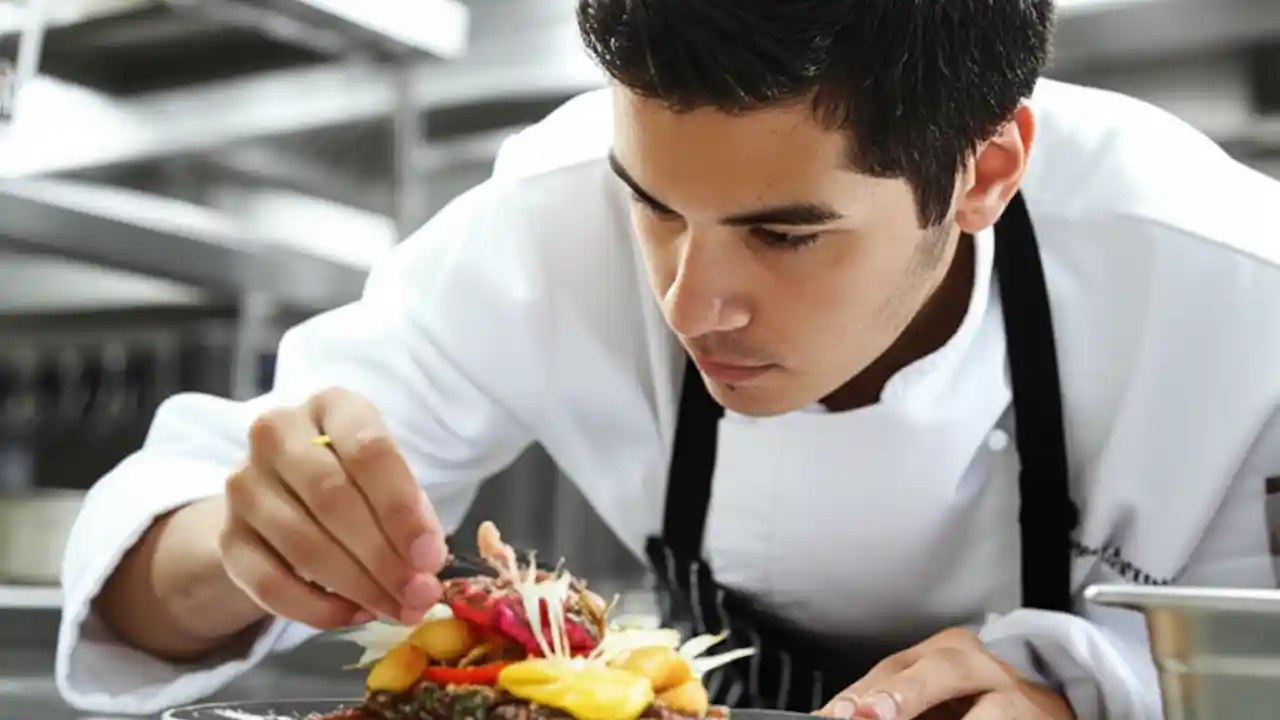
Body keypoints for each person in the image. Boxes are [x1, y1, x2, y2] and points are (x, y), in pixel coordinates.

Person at [56, 1, 1280, 719]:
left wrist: (1087, 690)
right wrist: (239, 544)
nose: (692, 304)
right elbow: (146, 577)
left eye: (784, 234)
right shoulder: (540, 218)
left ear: (986, 172)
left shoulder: (1228, 296)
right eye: (651, 205)